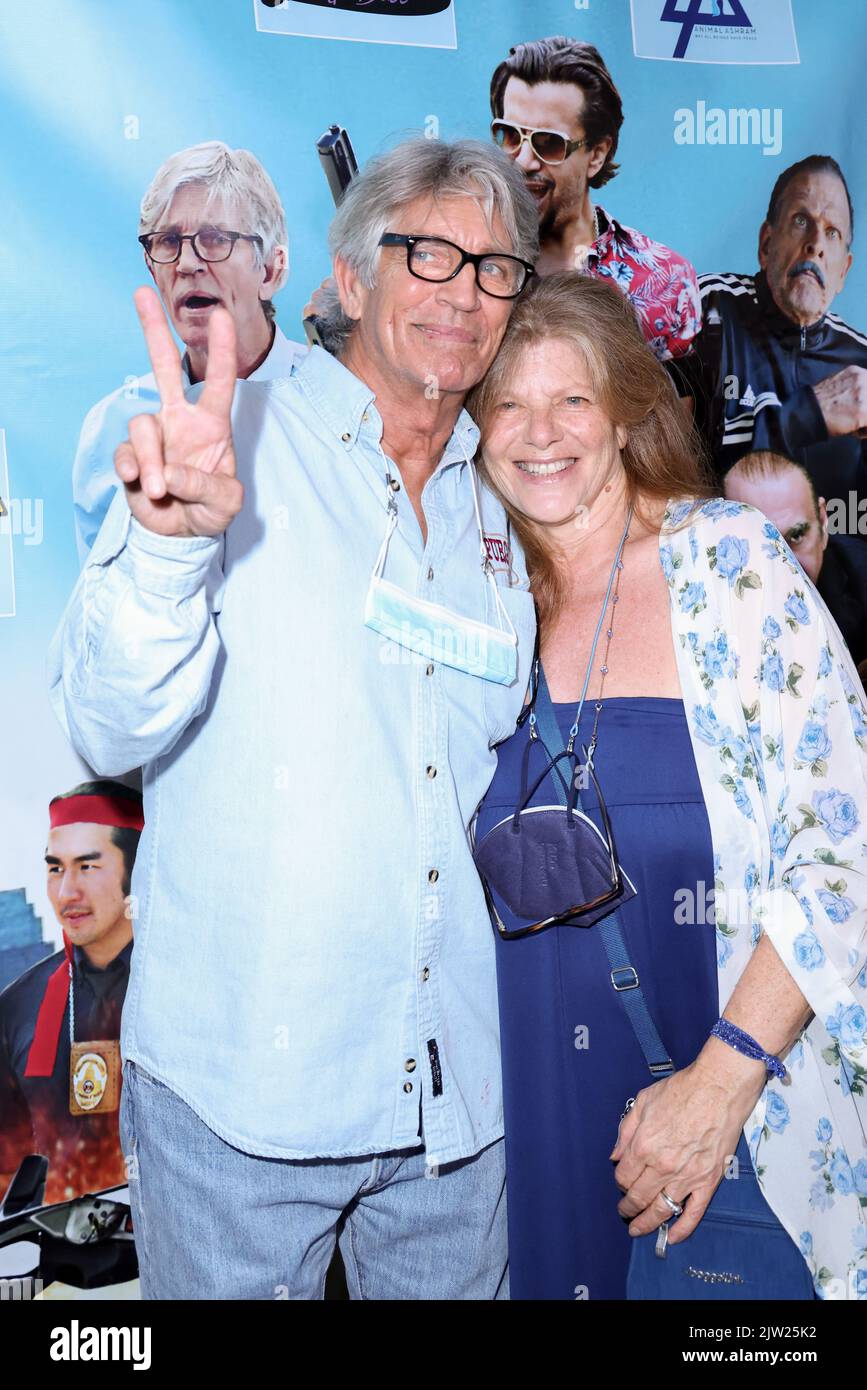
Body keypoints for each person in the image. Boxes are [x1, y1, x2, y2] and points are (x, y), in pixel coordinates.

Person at [48, 138, 539, 1301]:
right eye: (427, 254)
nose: (463, 290)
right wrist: (168, 550)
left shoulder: (506, 504)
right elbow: (106, 726)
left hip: (454, 1115)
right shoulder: (234, 444)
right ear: (350, 279)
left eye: (495, 266)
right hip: (244, 1109)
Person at [469, 272, 867, 1300]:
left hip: (731, 1127)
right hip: (527, 1146)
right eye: (507, 400)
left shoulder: (731, 569)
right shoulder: (474, 601)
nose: (538, 432)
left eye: (571, 398)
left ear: (626, 409)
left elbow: (847, 840)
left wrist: (724, 1079)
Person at [72, 141, 307, 563]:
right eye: (167, 241)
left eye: (215, 239)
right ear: (151, 267)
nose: (186, 263)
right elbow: (102, 616)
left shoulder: (338, 407)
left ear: (270, 271)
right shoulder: (113, 426)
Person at [489, 36, 701, 364]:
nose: (524, 161)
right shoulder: (468, 261)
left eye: (548, 143)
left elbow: (678, 413)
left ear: (597, 155)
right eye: (511, 136)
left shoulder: (666, 279)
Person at [694, 156, 867, 516]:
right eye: (801, 221)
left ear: (843, 273)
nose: (816, 244)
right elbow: (679, 474)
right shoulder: (705, 310)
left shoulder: (861, 361)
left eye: (833, 233)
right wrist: (810, 413)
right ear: (766, 244)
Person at [0, 782, 142, 1206]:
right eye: (56, 868)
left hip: (182, 1258)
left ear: (136, 872)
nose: (67, 894)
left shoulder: (191, 990)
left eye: (87, 866)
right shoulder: (17, 1007)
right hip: (60, 1265)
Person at [725, 450, 867, 669]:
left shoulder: (863, 577)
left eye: (797, 536)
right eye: (759, 545)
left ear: (822, 522)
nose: (785, 564)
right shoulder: (704, 601)